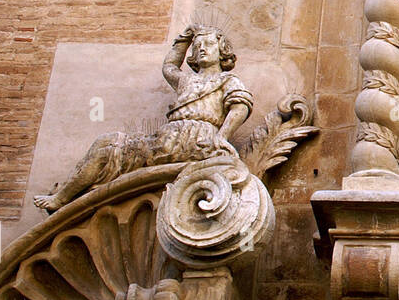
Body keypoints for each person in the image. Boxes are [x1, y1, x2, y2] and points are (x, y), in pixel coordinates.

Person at [33, 25, 253, 212]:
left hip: (196, 139)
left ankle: (63, 197)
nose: (203, 49)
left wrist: (222, 137)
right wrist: (183, 40)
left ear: (222, 50)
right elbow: (169, 67)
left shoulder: (227, 80)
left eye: (209, 44)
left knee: (109, 149)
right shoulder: (186, 80)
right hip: (167, 138)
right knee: (106, 144)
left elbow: (240, 106)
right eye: (198, 46)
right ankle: (65, 196)